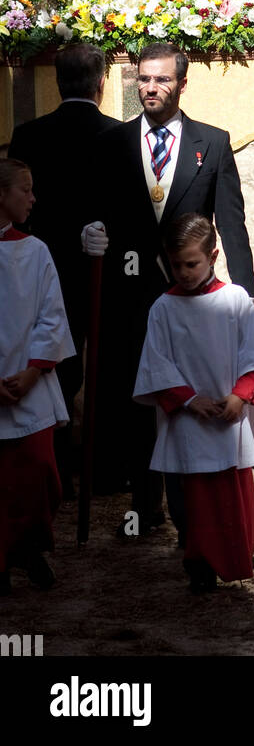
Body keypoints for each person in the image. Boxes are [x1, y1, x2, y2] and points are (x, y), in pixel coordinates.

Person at [82, 41, 254, 535]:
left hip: (196, 303)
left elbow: (233, 224)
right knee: (143, 400)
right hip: (132, 294)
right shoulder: (112, 143)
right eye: (142, 79)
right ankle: (143, 505)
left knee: (194, 401)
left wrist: (244, 293)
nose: (150, 88)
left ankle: (195, 508)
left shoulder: (213, 142)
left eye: (161, 79)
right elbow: (95, 211)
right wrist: (88, 234)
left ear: (181, 83)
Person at [133, 214, 254, 593]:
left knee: (233, 494)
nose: (183, 271)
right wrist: (189, 400)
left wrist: (240, 395)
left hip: (231, 415)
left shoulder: (235, 300)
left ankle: (234, 558)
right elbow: (156, 364)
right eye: (175, 264)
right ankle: (199, 562)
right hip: (190, 418)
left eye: (191, 263)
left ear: (213, 255)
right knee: (195, 499)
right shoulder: (163, 308)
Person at [8, 44, 120, 495]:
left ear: (57, 83)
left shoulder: (29, 134)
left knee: (53, 368)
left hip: (41, 267)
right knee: (107, 371)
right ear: (101, 84)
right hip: (104, 268)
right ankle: (106, 469)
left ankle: (55, 470)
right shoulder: (116, 133)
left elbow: (20, 212)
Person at [0, 160, 74, 595]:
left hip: (30, 384)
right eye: (24, 190)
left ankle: (29, 549)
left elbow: (52, 317)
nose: (32, 198)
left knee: (40, 473)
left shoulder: (35, 251)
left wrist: (32, 373)